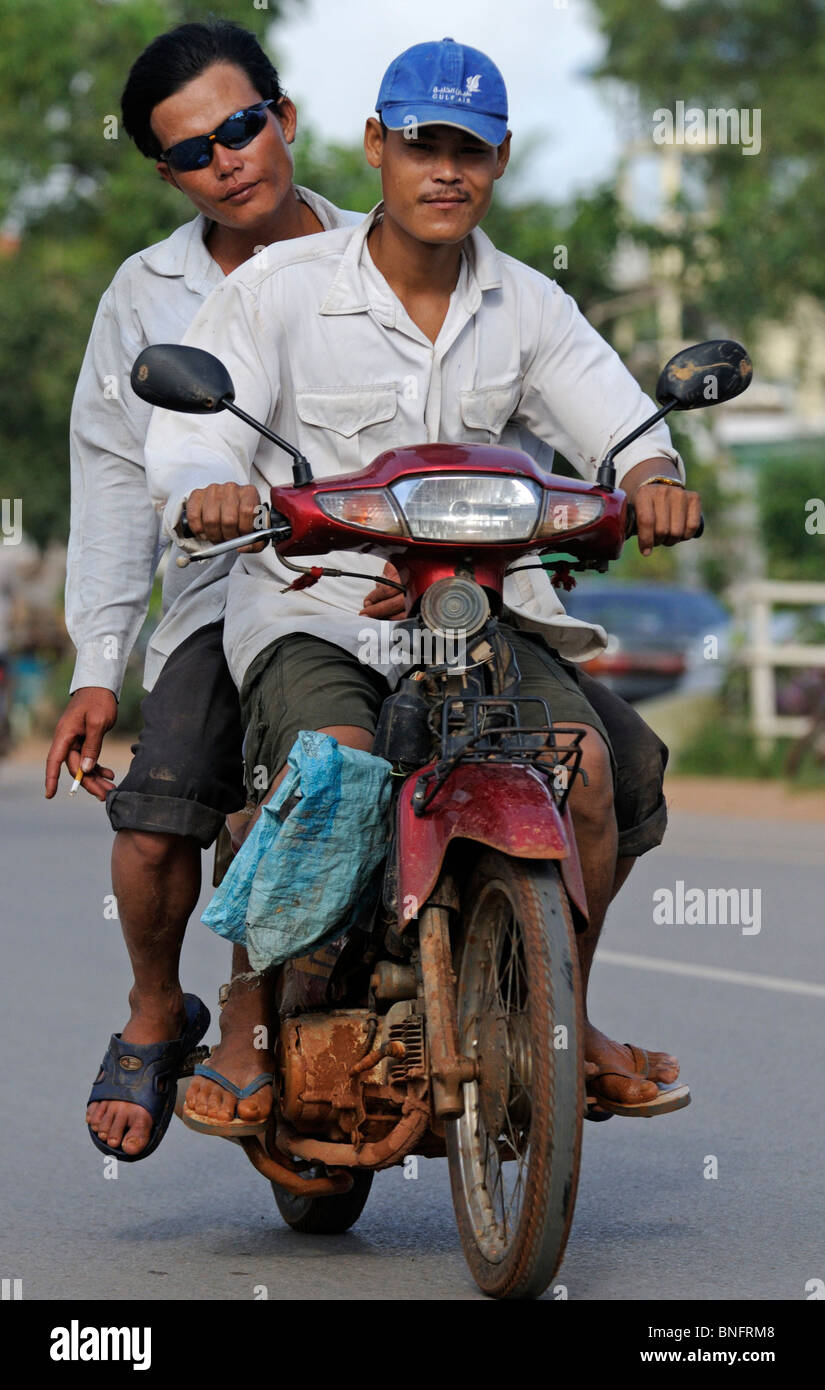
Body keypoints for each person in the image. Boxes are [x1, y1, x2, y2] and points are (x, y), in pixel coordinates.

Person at [145, 38, 697, 1135]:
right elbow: (195, 434)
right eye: (421, 146)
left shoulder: (530, 304)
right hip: (319, 606)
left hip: (477, 610)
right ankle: (249, 1013)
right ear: (375, 148)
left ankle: (564, 1015)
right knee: (330, 765)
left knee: (596, 768)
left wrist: (651, 476)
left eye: (469, 151)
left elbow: (620, 420)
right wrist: (211, 486)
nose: (445, 171)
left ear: (499, 161)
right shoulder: (279, 290)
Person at [43, 19, 376, 1161]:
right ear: (166, 174)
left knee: (571, 757)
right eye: (193, 152)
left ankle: (545, 1002)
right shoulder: (146, 294)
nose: (227, 161)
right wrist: (96, 666)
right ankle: (158, 1008)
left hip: (392, 591)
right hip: (225, 596)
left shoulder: (391, 257)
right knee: (155, 823)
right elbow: (113, 480)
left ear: (285, 119)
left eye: (241, 127)